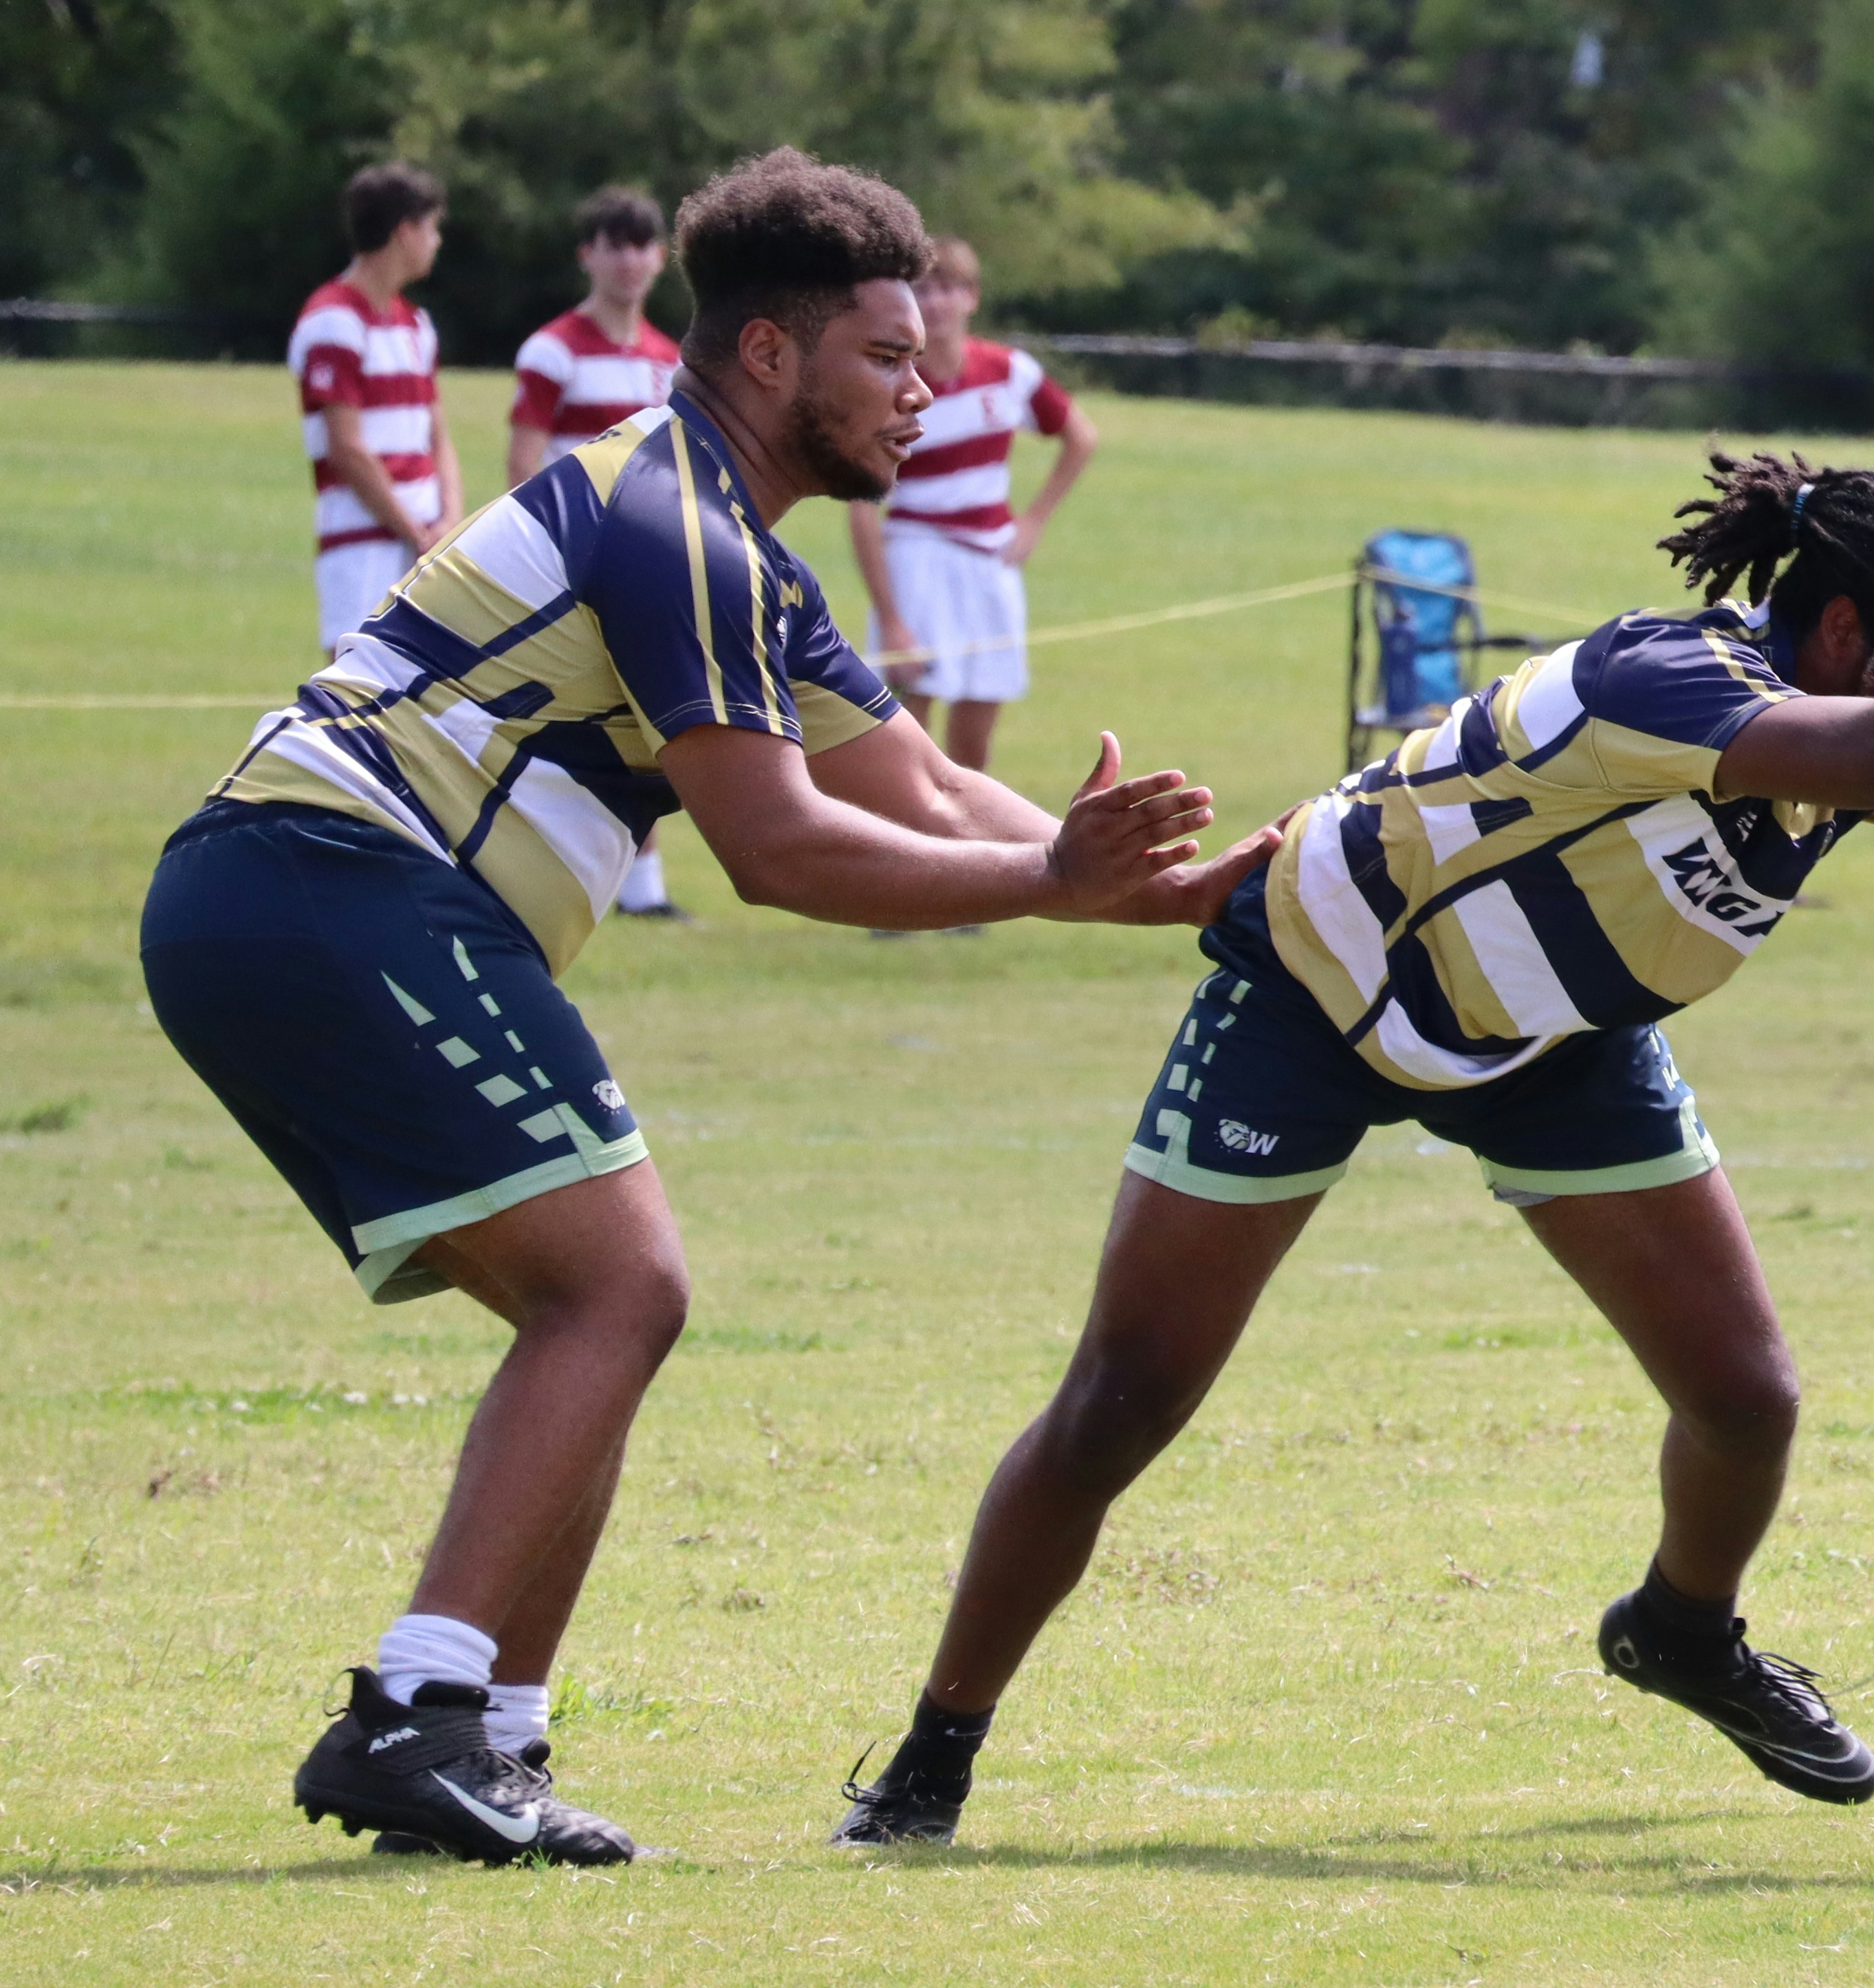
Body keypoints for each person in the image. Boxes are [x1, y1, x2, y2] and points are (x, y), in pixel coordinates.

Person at [140, 147, 1238, 1868]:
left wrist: (1191, 896)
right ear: (771, 357)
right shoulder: (671, 523)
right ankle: (416, 1716)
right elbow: (781, 848)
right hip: (325, 881)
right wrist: (1057, 886)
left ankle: (486, 1738)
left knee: (601, 1300)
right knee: (621, 1283)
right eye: (888, 353)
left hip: (311, 898)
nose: (927, 385)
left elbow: (939, 798)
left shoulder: (746, 556)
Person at [831, 455, 1874, 1846]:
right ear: (1853, 631)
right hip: (1314, 988)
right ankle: (927, 1760)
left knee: (1747, 1399)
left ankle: (1681, 1630)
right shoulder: (1675, 681)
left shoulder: (1868, 738)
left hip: (1554, 1046)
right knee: (1124, 1394)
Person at [846, 237, 1094, 774]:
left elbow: (1080, 436)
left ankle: (973, 851)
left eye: (947, 290)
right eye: (924, 291)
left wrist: (1033, 522)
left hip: (989, 559)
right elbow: (862, 509)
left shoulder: (1009, 371)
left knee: (977, 728)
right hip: (917, 558)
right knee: (907, 731)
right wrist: (891, 618)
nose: (935, 303)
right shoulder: (892, 387)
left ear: (971, 298)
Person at [509, 186, 688, 920]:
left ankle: (641, 890)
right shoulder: (553, 350)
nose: (631, 260)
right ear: (588, 254)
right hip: (572, 561)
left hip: (646, 564)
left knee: (643, 714)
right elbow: (525, 462)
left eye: (644, 244)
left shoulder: (668, 359)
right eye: (616, 244)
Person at [293, 162, 462, 656]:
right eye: (432, 228)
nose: (437, 241)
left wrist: (449, 522)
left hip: (426, 542)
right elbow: (347, 448)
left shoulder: (416, 324)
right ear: (405, 232)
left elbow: (438, 437)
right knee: (357, 690)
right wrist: (415, 530)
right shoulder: (334, 320)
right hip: (364, 539)